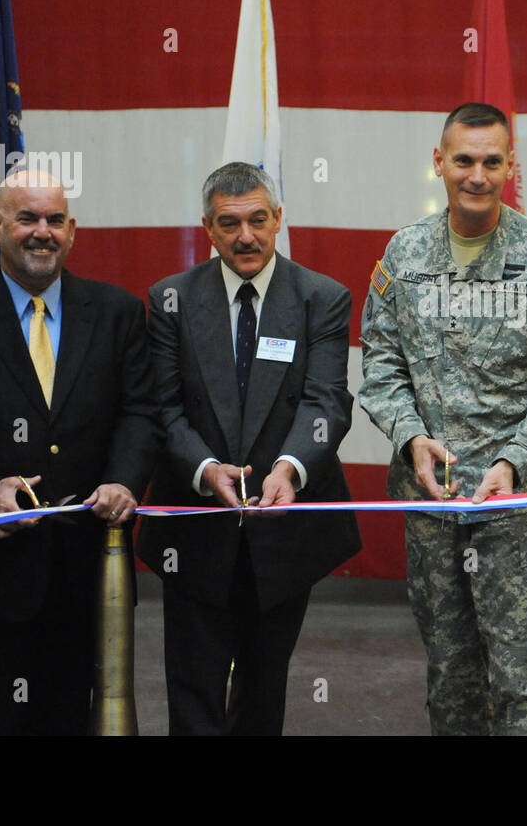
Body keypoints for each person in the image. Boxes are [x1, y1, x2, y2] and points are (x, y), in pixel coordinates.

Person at [358, 102, 527, 735]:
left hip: (523, 512)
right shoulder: (405, 253)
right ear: (438, 163)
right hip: (433, 505)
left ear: (511, 166)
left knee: (524, 679)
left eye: (493, 162)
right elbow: (381, 366)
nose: (477, 175)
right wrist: (409, 436)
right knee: (451, 674)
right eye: (463, 160)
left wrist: (512, 460)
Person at [0, 167, 160, 736]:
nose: (42, 232)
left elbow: (140, 414)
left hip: (84, 580)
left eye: (55, 220)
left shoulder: (118, 312)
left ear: (73, 230)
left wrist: (125, 479)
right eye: (27, 218)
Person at [137, 161, 360, 736]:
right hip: (194, 525)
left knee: (264, 687)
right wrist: (206, 469)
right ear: (207, 228)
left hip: (283, 526)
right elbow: (163, 410)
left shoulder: (321, 298)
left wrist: (289, 468)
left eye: (258, 220)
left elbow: (327, 403)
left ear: (279, 219)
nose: (246, 237)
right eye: (229, 224)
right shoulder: (170, 300)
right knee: (192, 684)